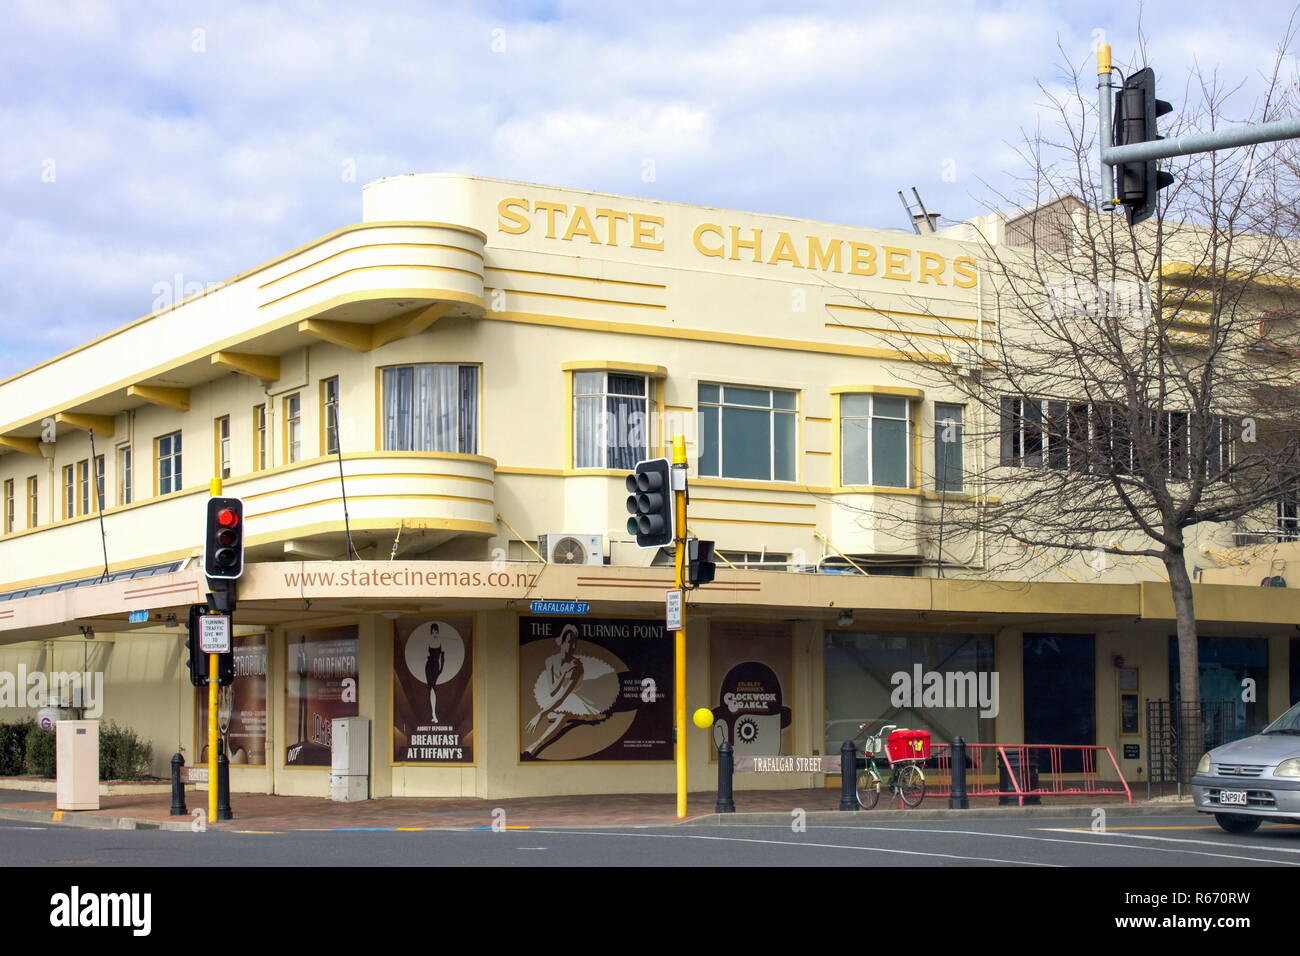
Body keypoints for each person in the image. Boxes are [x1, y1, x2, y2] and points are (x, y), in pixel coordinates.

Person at [424, 624, 445, 723]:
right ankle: (433, 714)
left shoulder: (441, 641)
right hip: (429, 666)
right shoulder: (428, 641)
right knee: (431, 688)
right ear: (430, 632)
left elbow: (442, 657)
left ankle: (434, 714)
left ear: (438, 632)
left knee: (434, 687)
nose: (434, 633)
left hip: (436, 666)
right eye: (433, 632)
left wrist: (441, 668)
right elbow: (425, 654)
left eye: (436, 632)